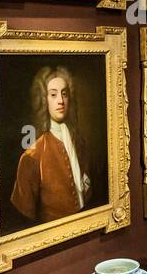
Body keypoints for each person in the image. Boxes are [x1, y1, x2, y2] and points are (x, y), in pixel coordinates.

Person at [11, 66, 91, 223]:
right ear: (43, 99)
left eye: (64, 94)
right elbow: (26, 214)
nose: (60, 101)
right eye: (53, 95)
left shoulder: (79, 143)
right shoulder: (32, 156)